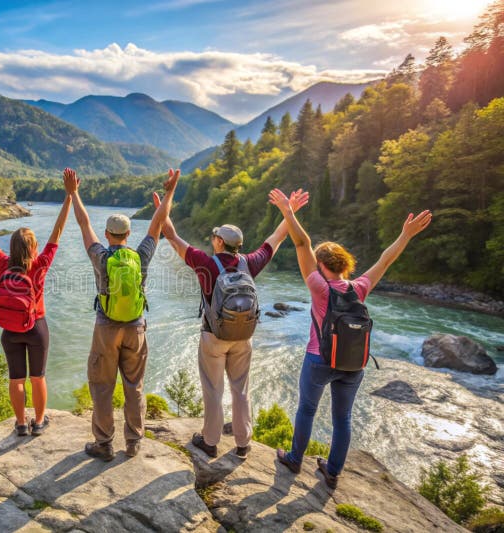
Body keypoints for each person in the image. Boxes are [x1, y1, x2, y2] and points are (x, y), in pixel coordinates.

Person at [269, 187, 432, 489]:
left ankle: (294, 459)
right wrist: (406, 235)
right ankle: (332, 472)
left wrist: (288, 211)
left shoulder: (318, 286)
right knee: (342, 418)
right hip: (353, 364)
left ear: (321, 265)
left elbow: (302, 242)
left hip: (319, 358)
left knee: (306, 409)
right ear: (345, 265)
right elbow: (385, 260)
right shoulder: (359, 287)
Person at [152, 179, 308, 460]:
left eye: (215, 237)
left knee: (213, 390)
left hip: (213, 336)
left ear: (220, 242)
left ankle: (210, 442)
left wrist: (163, 207)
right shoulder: (251, 262)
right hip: (243, 338)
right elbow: (276, 238)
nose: (213, 240)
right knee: (241, 390)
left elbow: (172, 236)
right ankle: (243, 444)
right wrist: (289, 212)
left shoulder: (205, 262)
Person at [66, 167, 178, 461]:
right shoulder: (140, 256)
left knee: (102, 386)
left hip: (106, 328)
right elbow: (157, 224)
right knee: (134, 385)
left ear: (108, 235)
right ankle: (133, 442)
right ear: (128, 234)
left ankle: (103, 444)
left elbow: (83, 222)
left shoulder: (101, 257)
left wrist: (74, 193)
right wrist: (169, 192)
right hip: (136, 328)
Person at [0, 185, 71, 437]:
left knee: (16, 379)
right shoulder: (41, 265)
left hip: (9, 330)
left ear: (12, 246)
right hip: (36, 327)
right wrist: (68, 196)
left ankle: (21, 423)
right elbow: (58, 231)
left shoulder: (2, 263)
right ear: (34, 248)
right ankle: (40, 422)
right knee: (38, 378)